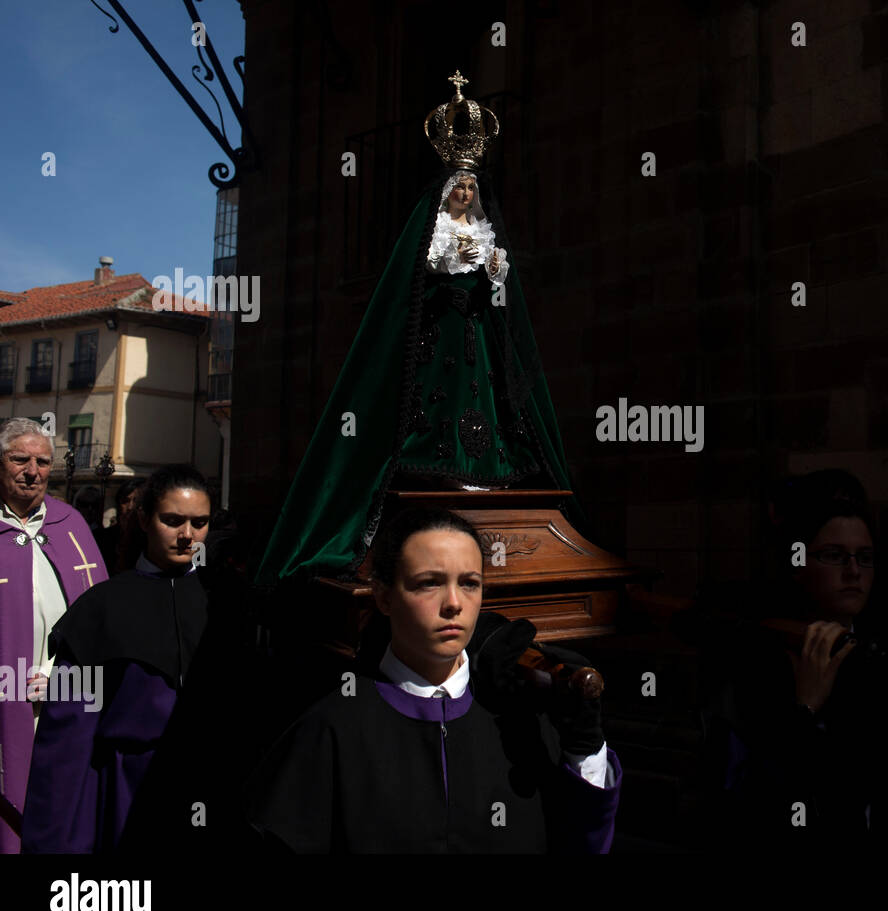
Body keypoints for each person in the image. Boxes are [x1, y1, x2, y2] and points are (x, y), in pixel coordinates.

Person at [254, 73, 581, 588]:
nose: (466, 193)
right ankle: (435, 465)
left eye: (472, 187)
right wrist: (455, 257)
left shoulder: (483, 228)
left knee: (487, 395)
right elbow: (420, 270)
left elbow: (501, 282)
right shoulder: (433, 228)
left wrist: (493, 264)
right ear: (446, 191)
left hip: (476, 329)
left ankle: (485, 472)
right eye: (459, 187)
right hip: (440, 331)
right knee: (441, 394)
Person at [244, 506, 621, 853]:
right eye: (429, 583)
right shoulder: (332, 727)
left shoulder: (522, 722)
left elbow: (583, 844)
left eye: (469, 583)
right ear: (383, 595)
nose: (454, 602)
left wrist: (584, 747)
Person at [696, 470, 888, 850]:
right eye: (834, 555)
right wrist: (805, 709)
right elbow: (748, 808)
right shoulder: (756, 666)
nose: (853, 572)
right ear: (799, 563)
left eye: (864, 558)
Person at [20, 465, 215, 853]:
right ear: (143, 518)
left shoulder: (227, 601)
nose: (187, 536)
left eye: (200, 522)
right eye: (172, 520)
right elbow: (66, 738)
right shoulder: (101, 609)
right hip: (128, 790)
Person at [0, 417, 106, 853]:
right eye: (19, 459)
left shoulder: (71, 524)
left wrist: (64, 679)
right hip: (6, 699)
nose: (33, 471)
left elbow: (104, 622)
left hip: (69, 695)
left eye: (42, 462)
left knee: (65, 811)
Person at [94, 478, 145, 576]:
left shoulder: (150, 541)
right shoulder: (101, 537)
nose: (130, 507)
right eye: (125, 501)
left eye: (136, 501)